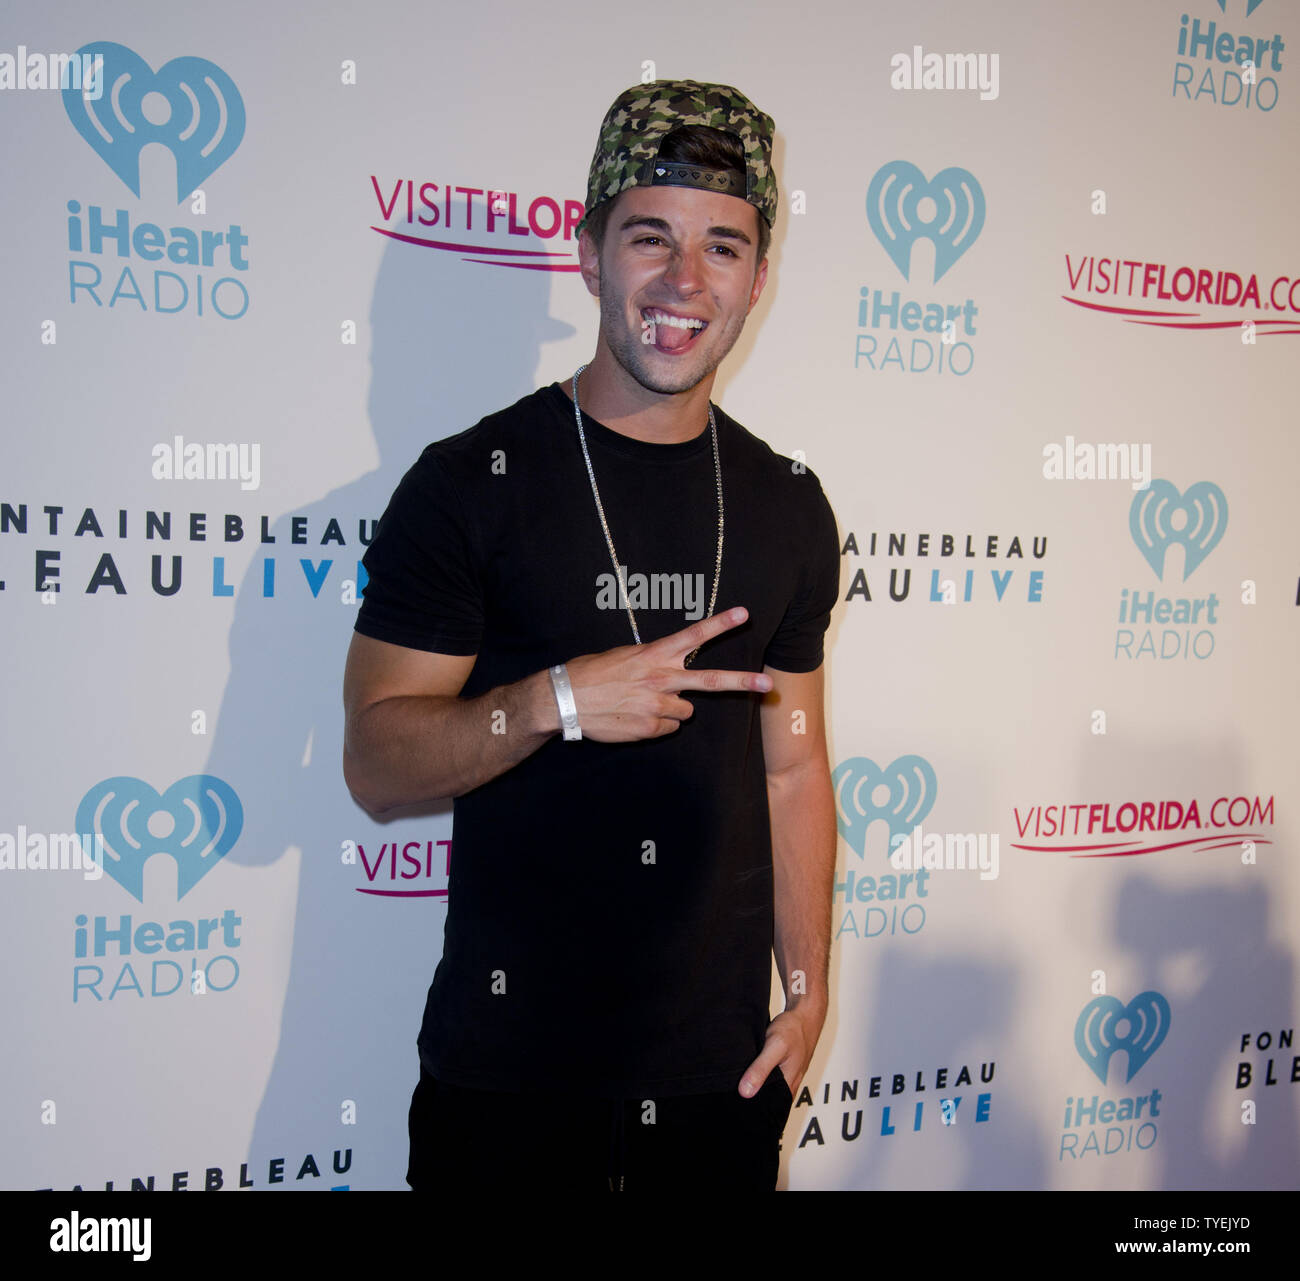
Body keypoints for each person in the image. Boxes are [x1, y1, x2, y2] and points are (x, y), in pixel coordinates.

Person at [343, 80, 840, 1191]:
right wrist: (557, 700)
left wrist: (807, 1000)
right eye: (648, 235)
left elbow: (795, 762)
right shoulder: (471, 483)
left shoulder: (788, 504)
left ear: (759, 278)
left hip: (722, 1088)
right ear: (585, 252)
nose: (683, 280)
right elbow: (376, 764)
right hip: (509, 1092)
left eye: (724, 246)